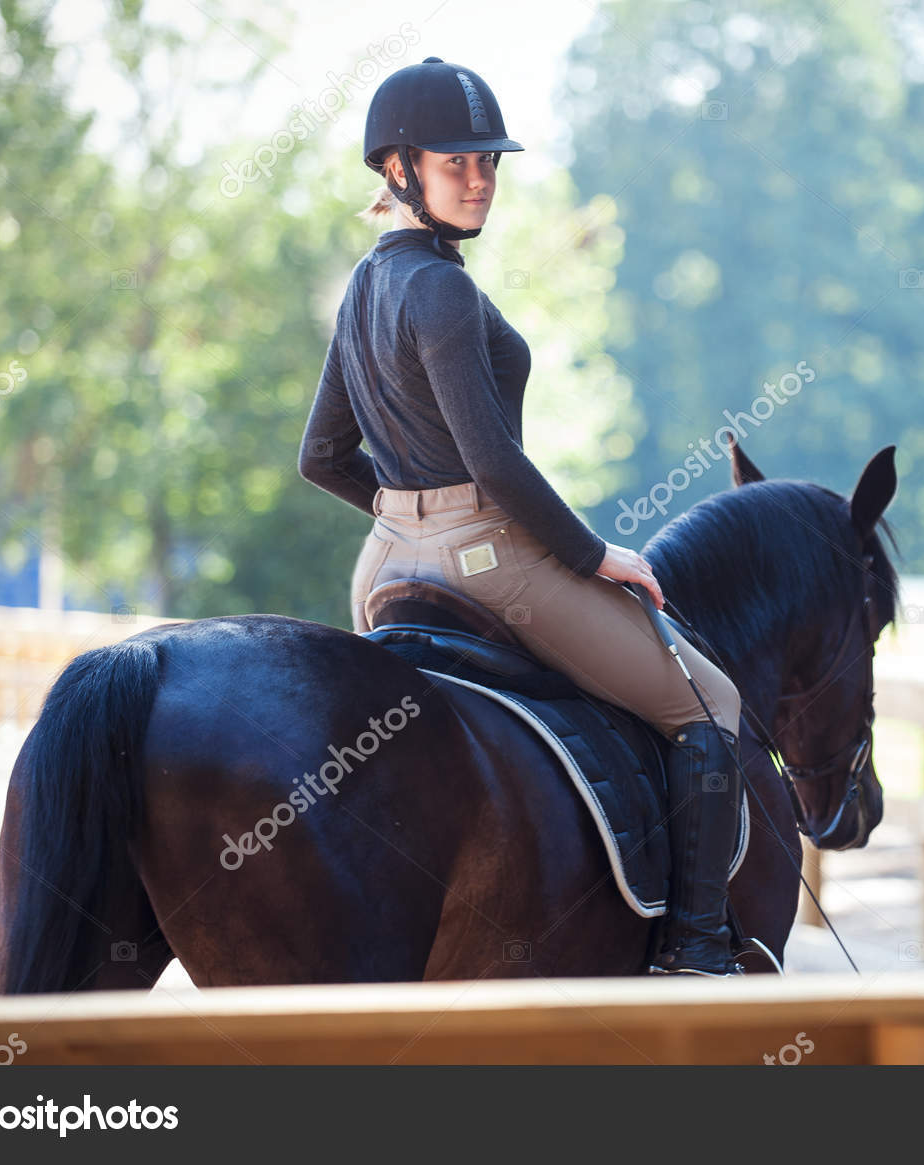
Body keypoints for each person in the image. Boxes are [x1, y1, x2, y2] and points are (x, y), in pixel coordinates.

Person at [298, 57, 747, 976]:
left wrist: (402, 517)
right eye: (456, 161)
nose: (479, 179)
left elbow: (319, 460)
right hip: (490, 557)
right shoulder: (444, 289)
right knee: (712, 702)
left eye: (489, 161)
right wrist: (593, 555)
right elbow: (495, 463)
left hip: (385, 566)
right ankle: (699, 949)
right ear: (398, 169)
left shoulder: (363, 290)